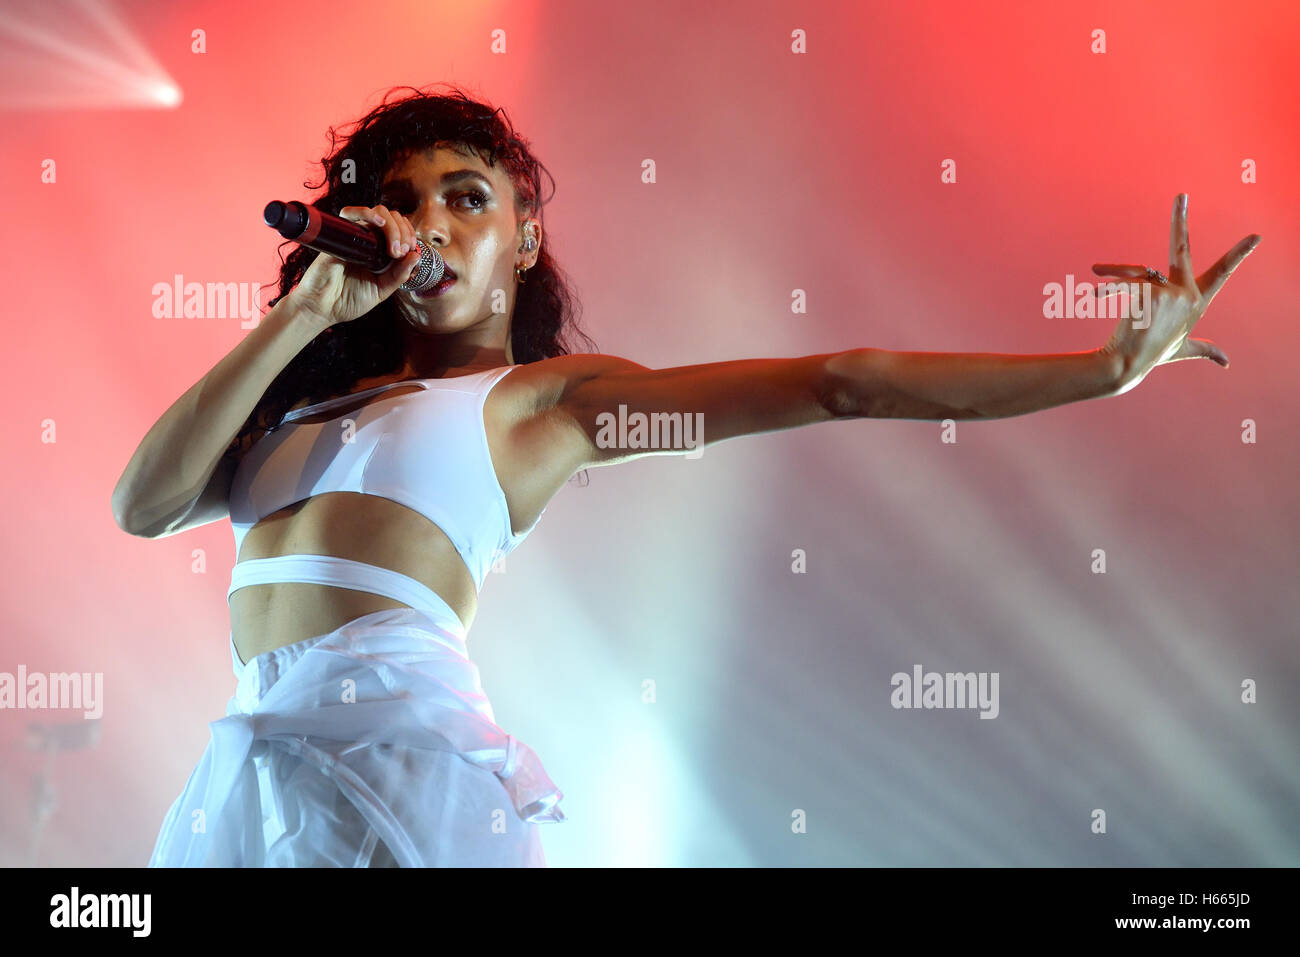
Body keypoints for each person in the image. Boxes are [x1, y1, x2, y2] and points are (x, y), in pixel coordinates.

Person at [112, 84, 1260, 867]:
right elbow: (143, 504)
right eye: (405, 200)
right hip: (255, 765)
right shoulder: (300, 412)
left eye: (466, 197)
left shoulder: (544, 405)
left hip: (403, 755)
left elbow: (837, 382)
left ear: (520, 239)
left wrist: (1099, 372)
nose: (430, 224)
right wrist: (306, 313)